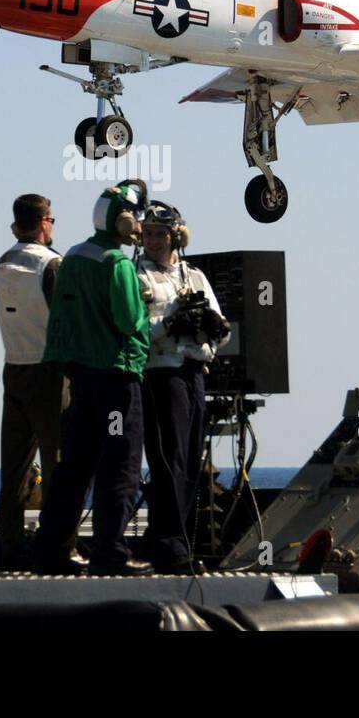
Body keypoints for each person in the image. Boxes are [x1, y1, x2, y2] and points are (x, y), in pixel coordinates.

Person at [33, 184, 151, 576]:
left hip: (80, 376)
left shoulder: (74, 256)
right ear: (120, 217)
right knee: (120, 464)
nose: (138, 224)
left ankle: (51, 549)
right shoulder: (116, 264)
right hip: (116, 376)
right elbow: (129, 319)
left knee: (75, 465)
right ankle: (110, 553)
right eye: (135, 216)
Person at [135, 201, 229, 573]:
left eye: (161, 234)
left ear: (177, 236)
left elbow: (220, 325)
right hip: (162, 373)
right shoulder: (137, 275)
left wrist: (213, 327)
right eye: (149, 235)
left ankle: (173, 540)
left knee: (191, 461)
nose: (154, 241)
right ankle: (168, 545)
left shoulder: (195, 277)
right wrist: (171, 324)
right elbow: (138, 330)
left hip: (194, 373)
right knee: (168, 459)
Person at [0, 194, 69, 566]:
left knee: (15, 466)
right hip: (48, 370)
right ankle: (57, 544)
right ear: (43, 223)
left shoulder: (2, 263)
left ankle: (10, 544)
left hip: (13, 368)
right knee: (58, 463)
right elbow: (67, 321)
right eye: (51, 219)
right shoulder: (52, 265)